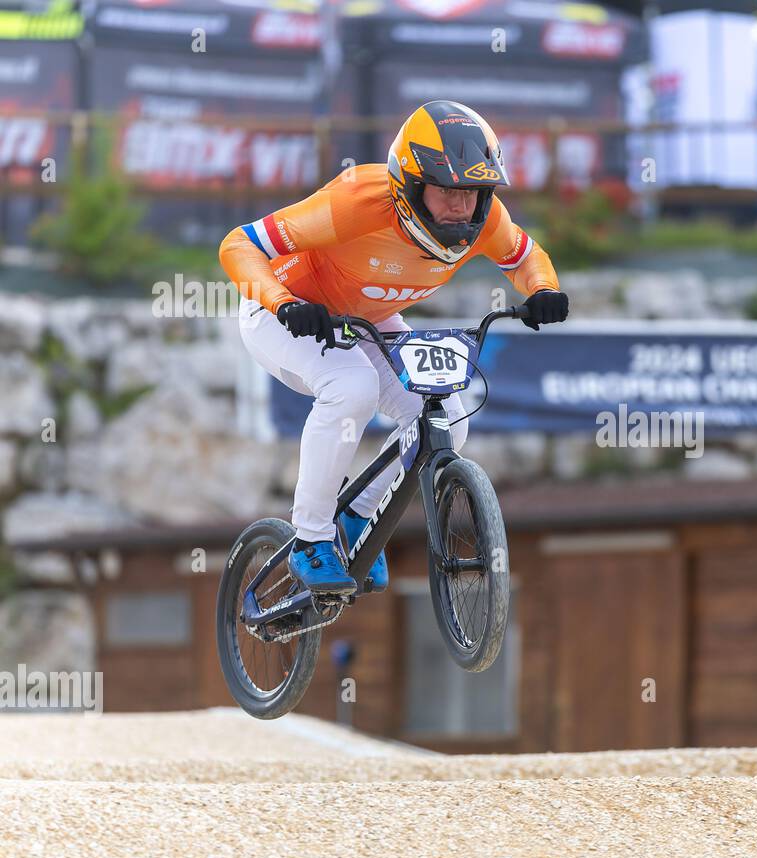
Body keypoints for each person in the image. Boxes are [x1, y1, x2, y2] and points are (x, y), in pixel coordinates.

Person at [219, 101, 568, 596]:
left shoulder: (485, 219)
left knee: (449, 417)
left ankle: (358, 518)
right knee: (353, 386)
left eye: (473, 192)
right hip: (283, 313)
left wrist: (543, 291)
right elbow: (238, 245)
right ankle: (311, 538)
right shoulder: (357, 202)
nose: (461, 207)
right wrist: (283, 302)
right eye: (447, 190)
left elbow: (526, 258)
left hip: (368, 317)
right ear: (409, 185)